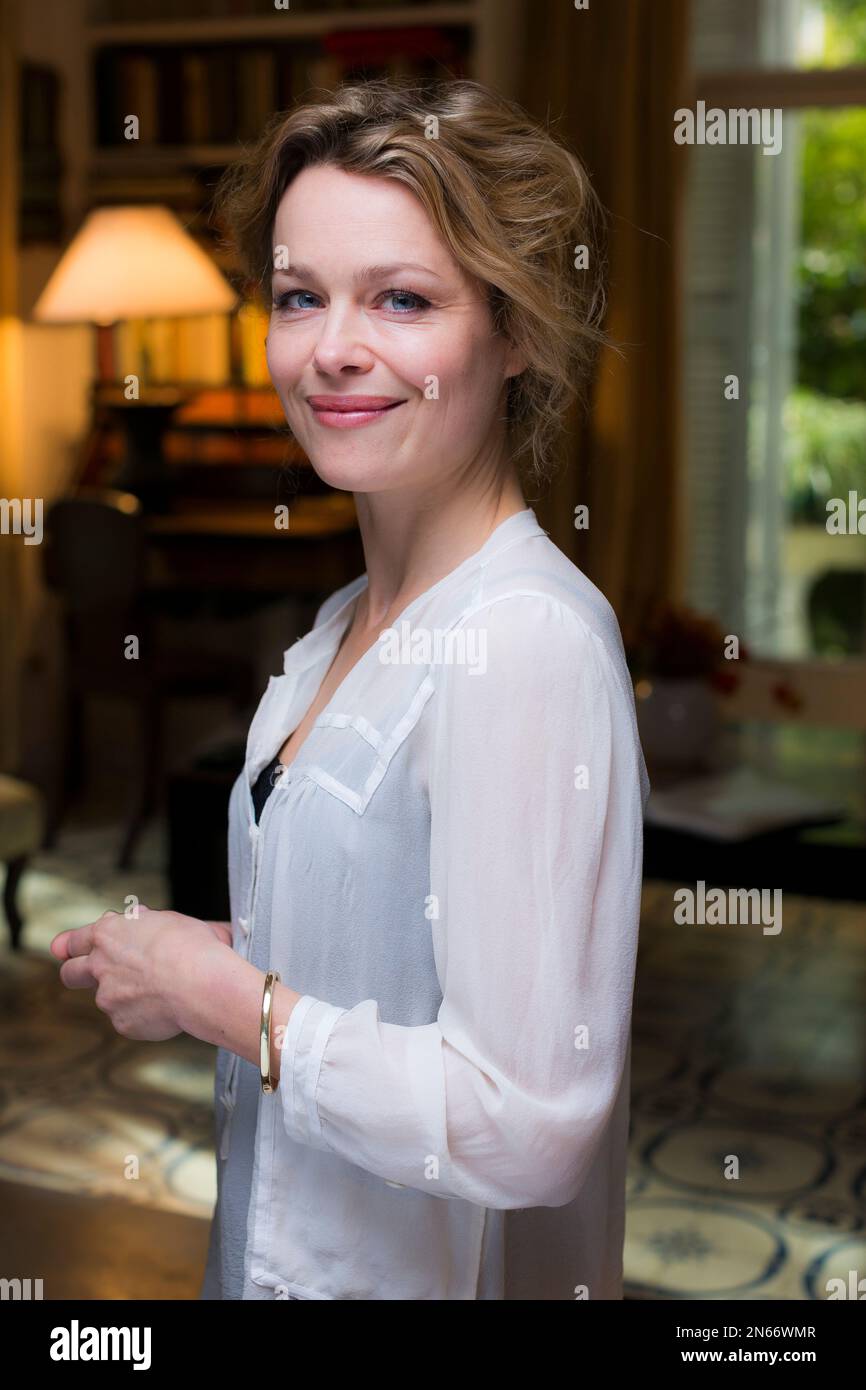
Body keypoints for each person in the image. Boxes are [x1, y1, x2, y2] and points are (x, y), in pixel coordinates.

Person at [51, 77, 650, 1300]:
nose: (331, 348)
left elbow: (525, 1122)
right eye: (299, 296)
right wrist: (210, 960)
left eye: (402, 299)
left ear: (515, 332)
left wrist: (230, 1000)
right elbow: (409, 950)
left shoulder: (521, 641)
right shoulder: (343, 626)